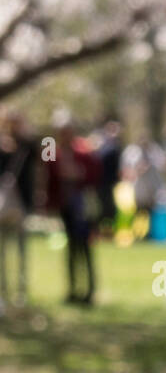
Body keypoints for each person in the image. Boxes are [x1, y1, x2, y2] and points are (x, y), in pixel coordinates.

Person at [46, 117, 102, 305]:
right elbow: (47, 172)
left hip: (82, 205)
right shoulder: (54, 151)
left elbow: (95, 173)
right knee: (70, 248)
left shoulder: (83, 151)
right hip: (65, 206)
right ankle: (72, 289)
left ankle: (90, 290)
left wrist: (79, 173)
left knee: (85, 247)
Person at [0, 112, 37, 308]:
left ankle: (21, 292)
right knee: (2, 251)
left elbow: (49, 154)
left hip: (22, 202)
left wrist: (29, 133)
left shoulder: (28, 145)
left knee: (22, 249)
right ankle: (3, 293)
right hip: (3, 204)